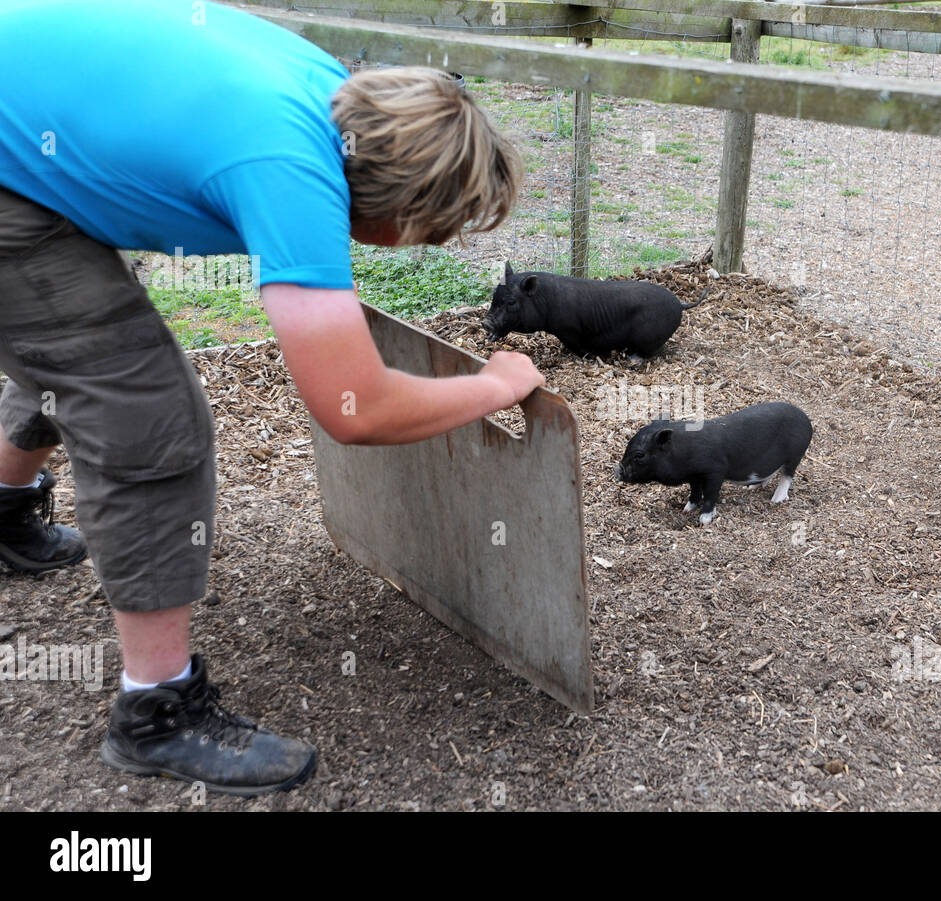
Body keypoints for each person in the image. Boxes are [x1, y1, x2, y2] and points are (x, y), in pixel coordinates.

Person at [0, 0, 543, 796]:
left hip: (26, 135)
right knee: (145, 412)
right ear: (397, 203)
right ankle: (157, 710)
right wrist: (493, 386)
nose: (425, 245)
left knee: (83, 341)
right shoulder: (292, 168)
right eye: (431, 230)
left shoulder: (328, 91)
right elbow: (353, 406)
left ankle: (5, 514)